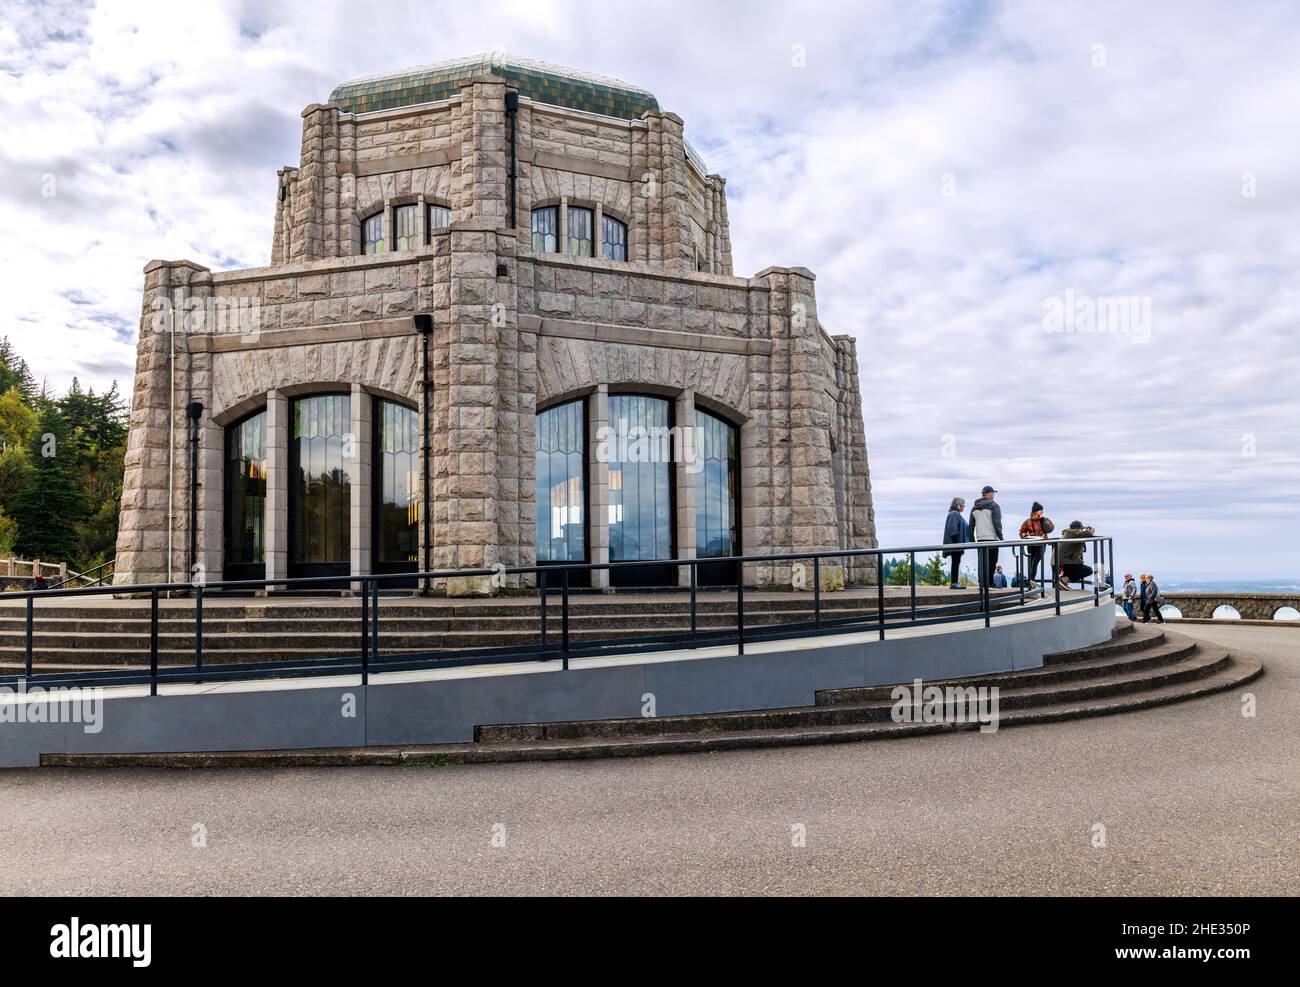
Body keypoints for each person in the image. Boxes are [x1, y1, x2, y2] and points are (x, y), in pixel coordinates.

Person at [969, 485, 1002, 588]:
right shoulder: (994, 505)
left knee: (982, 561)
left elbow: (971, 525)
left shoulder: (974, 507)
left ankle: (982, 583)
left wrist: (972, 539)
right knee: (992, 561)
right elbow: (997, 523)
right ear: (989, 494)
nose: (993, 495)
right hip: (992, 538)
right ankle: (990, 583)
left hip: (980, 538)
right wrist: (1001, 537)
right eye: (993, 494)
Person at [1018, 502, 1054, 588]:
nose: (1042, 513)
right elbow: (1021, 532)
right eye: (1040, 511)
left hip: (1041, 544)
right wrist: (1025, 536)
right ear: (1035, 512)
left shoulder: (1045, 520)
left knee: (1035, 563)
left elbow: (1050, 529)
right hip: (1031, 544)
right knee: (1031, 563)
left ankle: (1031, 581)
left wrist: (1044, 521)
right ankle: (1031, 581)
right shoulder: (1027, 522)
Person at [1057, 520, 1095, 587]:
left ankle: (1063, 582)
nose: (1081, 530)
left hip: (1059, 563)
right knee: (1089, 570)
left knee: (1080, 565)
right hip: (1064, 564)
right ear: (1077, 529)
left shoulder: (1068, 533)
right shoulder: (1074, 533)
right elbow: (1087, 533)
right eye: (1081, 529)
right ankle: (1064, 580)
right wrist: (1090, 531)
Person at [942, 497, 969, 589]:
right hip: (956, 544)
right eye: (963, 505)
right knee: (955, 563)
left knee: (956, 562)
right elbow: (953, 530)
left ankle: (954, 583)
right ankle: (954, 583)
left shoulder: (955, 514)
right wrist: (958, 543)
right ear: (958, 505)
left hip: (956, 544)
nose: (963, 507)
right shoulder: (954, 514)